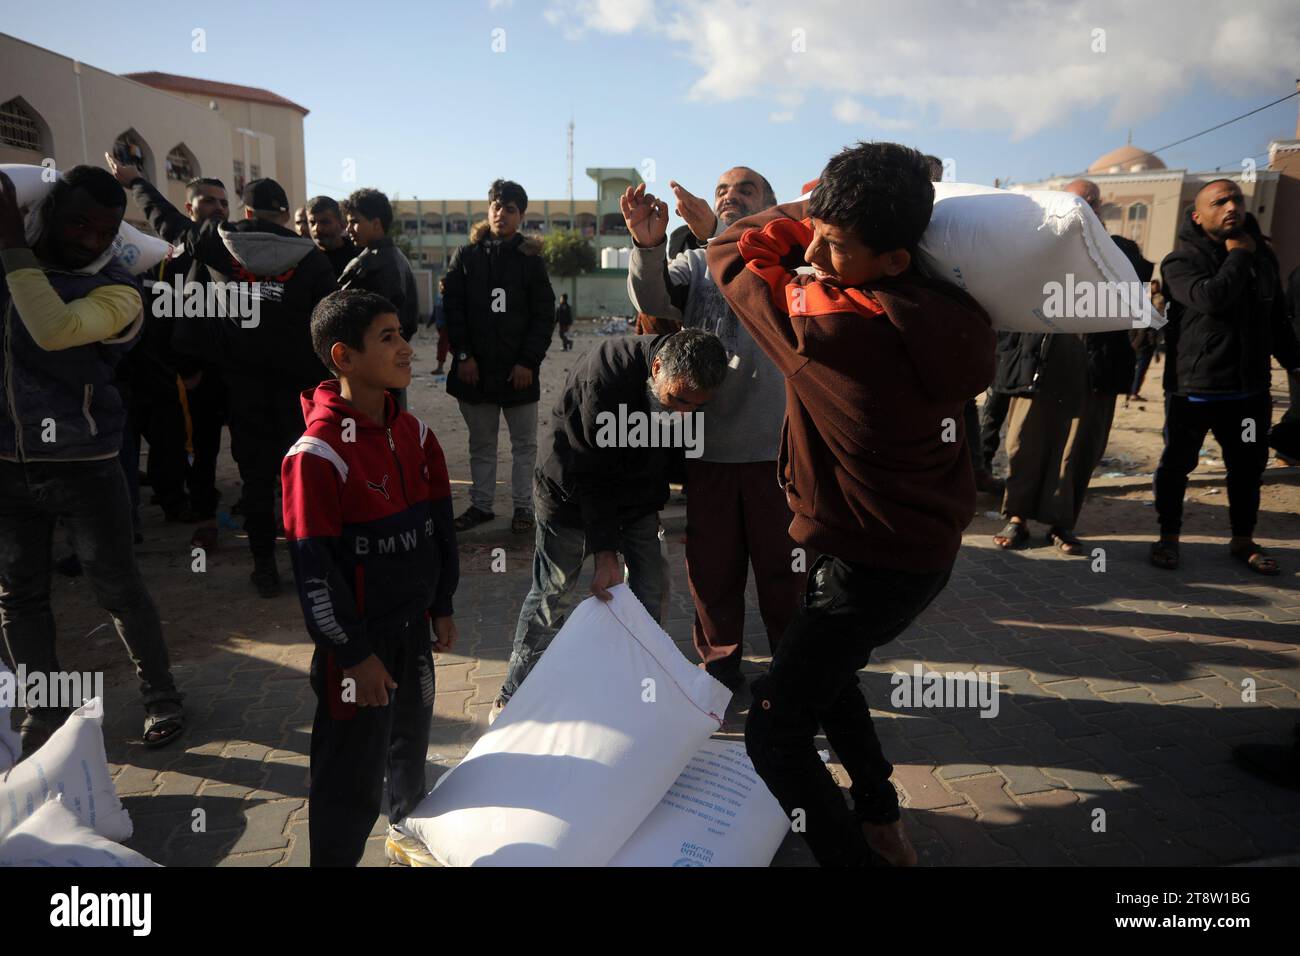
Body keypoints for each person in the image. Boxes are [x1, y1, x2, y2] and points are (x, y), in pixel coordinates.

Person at [708, 142, 996, 867]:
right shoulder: (949, 310)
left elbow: (730, 256)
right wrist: (840, 212)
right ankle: (879, 818)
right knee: (827, 681)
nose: (817, 256)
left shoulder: (832, 329)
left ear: (897, 257)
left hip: (865, 564)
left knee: (773, 728)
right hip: (914, 554)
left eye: (834, 246)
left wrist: (810, 206)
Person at [0, 166, 185, 753]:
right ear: (49, 214)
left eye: (107, 229)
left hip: (86, 463)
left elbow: (53, 330)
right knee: (19, 594)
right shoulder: (10, 269)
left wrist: (9, 243)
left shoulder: (120, 291)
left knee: (118, 588)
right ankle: (44, 710)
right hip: (7, 464)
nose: (92, 238)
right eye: (79, 221)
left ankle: (161, 700)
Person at [282, 289, 459, 867]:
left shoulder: (417, 435)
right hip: (358, 652)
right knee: (350, 777)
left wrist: (442, 605)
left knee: (409, 751)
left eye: (404, 335)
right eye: (388, 338)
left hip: (412, 635)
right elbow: (316, 573)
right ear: (344, 356)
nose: (408, 348)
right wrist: (354, 655)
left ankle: (407, 840)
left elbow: (438, 530)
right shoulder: (317, 455)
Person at [109, 154, 337, 597]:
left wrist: (136, 181)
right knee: (302, 478)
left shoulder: (217, 242)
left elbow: (167, 221)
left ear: (246, 213)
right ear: (286, 214)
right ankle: (310, 567)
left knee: (254, 480)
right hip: (301, 392)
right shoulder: (312, 260)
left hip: (244, 388)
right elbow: (329, 322)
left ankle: (264, 567)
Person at [489, 328, 728, 723]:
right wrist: (605, 554)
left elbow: (679, 459)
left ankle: (639, 692)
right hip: (571, 494)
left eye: (696, 406)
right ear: (656, 369)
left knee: (652, 591)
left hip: (637, 500)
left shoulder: (682, 389)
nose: (685, 412)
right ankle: (512, 697)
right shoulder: (604, 375)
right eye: (679, 401)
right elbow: (593, 472)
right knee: (553, 596)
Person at [624, 165, 803, 693]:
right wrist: (647, 245)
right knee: (712, 570)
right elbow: (653, 301)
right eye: (722, 189)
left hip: (774, 449)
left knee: (783, 571)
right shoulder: (697, 260)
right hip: (709, 452)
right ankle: (720, 668)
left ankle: (793, 672)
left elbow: (754, 278)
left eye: (745, 189)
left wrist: (715, 235)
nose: (729, 196)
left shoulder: (791, 255)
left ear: (770, 203)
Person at [1150, 179, 1300, 575]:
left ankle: (1243, 539)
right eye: (1220, 202)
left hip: (1249, 392)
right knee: (1177, 466)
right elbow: (1211, 299)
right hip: (1193, 392)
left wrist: (1295, 362)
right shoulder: (1180, 262)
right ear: (1199, 216)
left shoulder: (1262, 259)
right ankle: (1168, 537)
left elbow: (1277, 320)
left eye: (1236, 199)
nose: (1231, 206)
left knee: (1248, 469)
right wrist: (1238, 257)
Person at [992, 179, 1138, 555]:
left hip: (1094, 365)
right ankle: (1017, 518)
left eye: (1091, 203)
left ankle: (1061, 523)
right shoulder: (1039, 246)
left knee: (1077, 448)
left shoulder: (1121, 249)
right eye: (1077, 202)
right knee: (1024, 442)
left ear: (1100, 208)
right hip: (1040, 362)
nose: (1084, 208)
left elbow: (1131, 299)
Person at [120, 174, 231, 551]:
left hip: (215, 368)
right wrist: (181, 364)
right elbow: (161, 314)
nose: (218, 208)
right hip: (170, 368)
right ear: (190, 207)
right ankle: (181, 502)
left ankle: (199, 497)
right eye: (209, 201)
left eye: (223, 202)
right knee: (179, 438)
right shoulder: (167, 255)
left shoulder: (227, 247)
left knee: (208, 441)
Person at [444, 178, 556, 535]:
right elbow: (454, 310)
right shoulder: (466, 256)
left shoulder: (530, 259)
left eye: (510, 208)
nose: (501, 213)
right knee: (482, 443)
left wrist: (527, 362)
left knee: (524, 445)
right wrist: (463, 356)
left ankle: (524, 507)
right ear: (487, 209)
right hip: (475, 371)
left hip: (519, 372)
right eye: (496, 205)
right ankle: (481, 505)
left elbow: (543, 315)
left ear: (520, 216)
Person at [340, 188, 420, 409]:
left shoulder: (374, 264)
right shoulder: (393, 258)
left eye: (354, 221)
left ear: (376, 223)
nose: (348, 229)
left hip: (373, 368)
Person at [1127, 278, 1165, 403]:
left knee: (1137, 369)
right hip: (1143, 343)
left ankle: (1131, 392)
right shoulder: (1151, 305)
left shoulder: (1141, 303)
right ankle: (1133, 392)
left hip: (1138, 342)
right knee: (1140, 370)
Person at [306, 195, 358, 279]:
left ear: (341, 222)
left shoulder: (358, 257)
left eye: (324, 222)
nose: (317, 228)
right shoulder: (304, 260)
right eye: (312, 222)